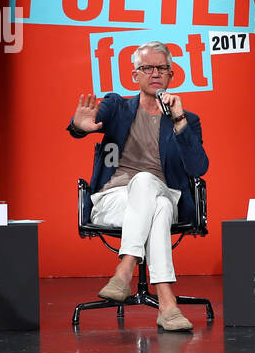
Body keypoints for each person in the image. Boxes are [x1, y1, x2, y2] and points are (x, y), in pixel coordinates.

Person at [68, 42, 210, 331]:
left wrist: (179, 119)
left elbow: (198, 168)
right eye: (147, 67)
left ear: (171, 75)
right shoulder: (117, 105)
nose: (155, 73)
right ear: (135, 75)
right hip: (114, 199)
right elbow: (88, 124)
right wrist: (79, 125)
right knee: (151, 200)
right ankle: (167, 304)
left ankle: (125, 268)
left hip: (165, 195)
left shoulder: (188, 120)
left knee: (149, 186)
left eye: (162, 68)